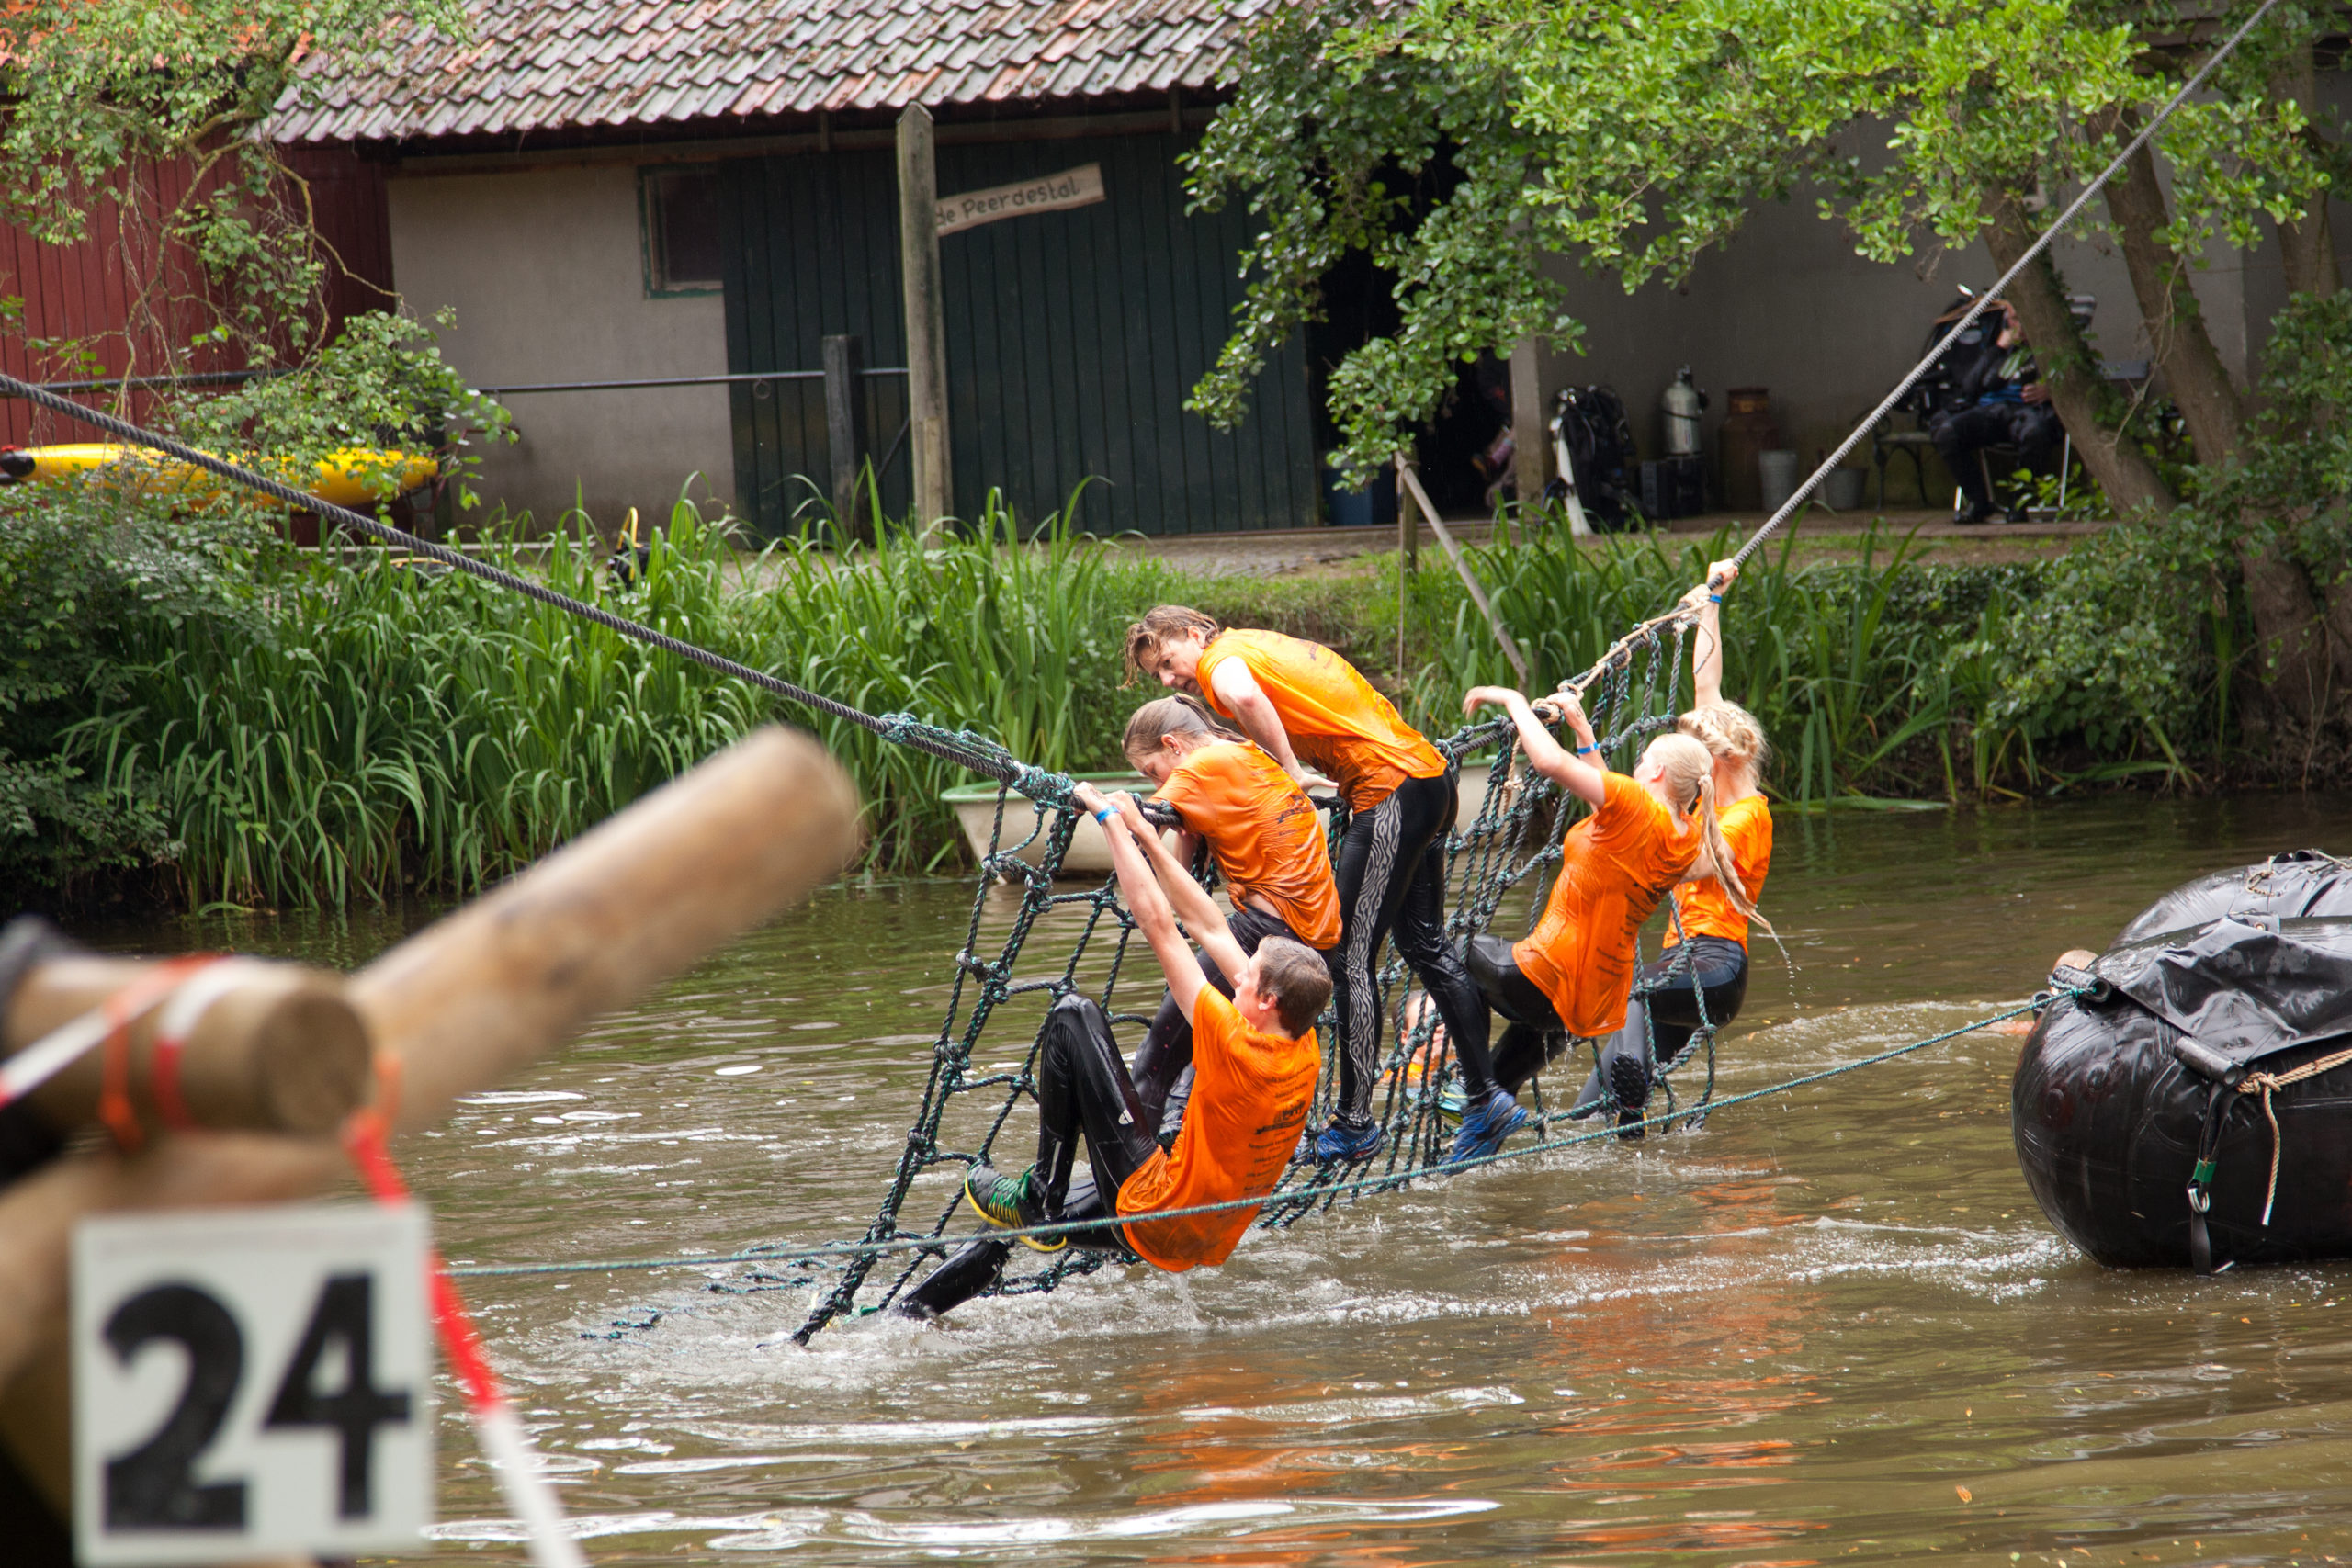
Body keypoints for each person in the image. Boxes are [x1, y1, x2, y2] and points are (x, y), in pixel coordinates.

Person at [894, 782, 1328, 1321]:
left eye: (1248, 977)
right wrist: (1148, 831)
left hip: (1153, 1218)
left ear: (1264, 1001)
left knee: (1074, 1015)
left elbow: (1161, 928)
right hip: (1208, 1234)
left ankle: (1044, 1191)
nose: (1235, 977)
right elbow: (1209, 923)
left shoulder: (1235, 1039)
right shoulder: (1303, 1039)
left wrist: (1108, 819)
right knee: (1010, 1226)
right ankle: (909, 1314)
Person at [1123, 606, 1510, 1165]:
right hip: (1429, 779)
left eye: (1166, 661)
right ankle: (1486, 1097)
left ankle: (1354, 1123)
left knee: (1345, 957)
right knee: (1424, 945)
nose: (1167, 678)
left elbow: (1247, 698)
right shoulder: (1258, 643)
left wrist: (1292, 772)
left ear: (1192, 634)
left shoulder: (1220, 661)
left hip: (1390, 791)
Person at [1455, 684, 1762, 1139]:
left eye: (1642, 761)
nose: (1634, 766)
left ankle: (1476, 1086)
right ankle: (1616, 1132)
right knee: (1589, 1117)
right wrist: (1583, 731)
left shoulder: (1701, 815)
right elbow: (1614, 806)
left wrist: (1516, 703)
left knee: (1453, 950)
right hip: (1591, 999)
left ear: (1655, 771)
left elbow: (1553, 765)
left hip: (1660, 966)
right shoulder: (1682, 832)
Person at [1546, 561, 1774, 1131]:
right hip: (1678, 965)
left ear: (1726, 760)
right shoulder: (1706, 801)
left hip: (1714, 966)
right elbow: (1706, 687)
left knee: (1625, 986)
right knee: (1595, 1108)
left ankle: (1629, 1107)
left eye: (1702, 752)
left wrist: (1623, 818)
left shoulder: (1745, 819)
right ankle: (1613, 1141)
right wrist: (1712, 607)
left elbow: (1681, 867)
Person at [1121, 694, 1341, 1139]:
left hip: (1267, 935)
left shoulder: (1200, 768)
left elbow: (1137, 833)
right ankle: (1176, 1153)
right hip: (1311, 946)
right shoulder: (1248, 753)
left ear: (1173, 745)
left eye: (1151, 771)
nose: (1155, 782)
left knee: (1155, 1060)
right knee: (1209, 1060)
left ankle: (1121, 1181)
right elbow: (1179, 860)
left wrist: (1113, 806)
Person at [1922, 295, 2062, 525]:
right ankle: (1978, 502)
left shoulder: (2050, 349)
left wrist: (2051, 392)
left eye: (2026, 319)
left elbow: (2075, 385)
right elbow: (1969, 387)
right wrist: (1998, 349)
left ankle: (2019, 505)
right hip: (1990, 412)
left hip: (2026, 414)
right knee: (1946, 432)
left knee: (2035, 433)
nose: (2021, 326)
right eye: (2016, 319)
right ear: (2008, 320)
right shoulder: (1995, 344)